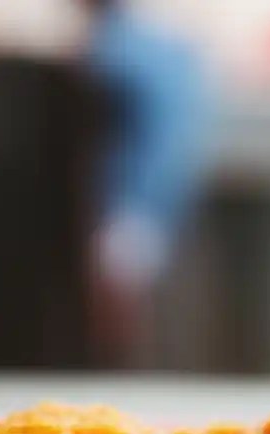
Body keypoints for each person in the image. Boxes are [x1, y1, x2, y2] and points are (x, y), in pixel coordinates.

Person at [83, 0, 212, 366]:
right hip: (150, 214)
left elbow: (161, 151)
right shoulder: (161, 49)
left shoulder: (120, 53)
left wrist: (130, 228)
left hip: (132, 217)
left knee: (130, 345)